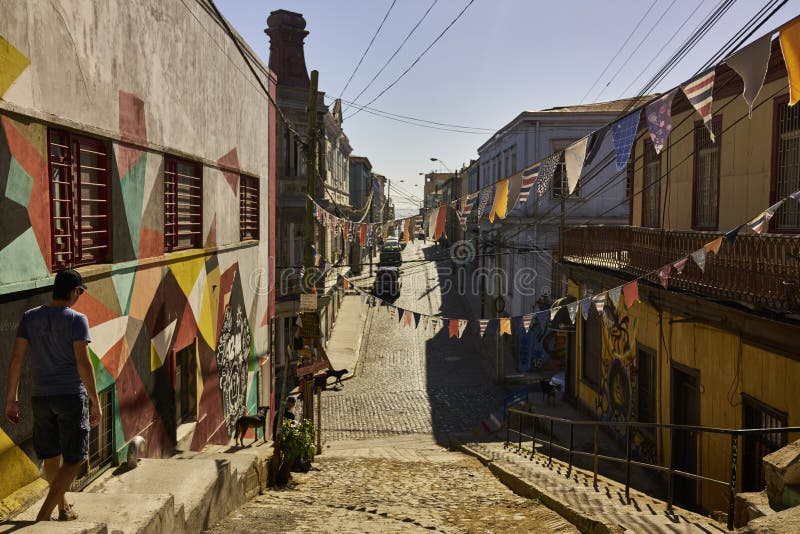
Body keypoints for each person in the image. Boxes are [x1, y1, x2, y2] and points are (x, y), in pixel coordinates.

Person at [5, 269, 101, 522]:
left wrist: (11, 399)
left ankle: (63, 507)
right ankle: (44, 514)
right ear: (73, 292)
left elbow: (16, 360)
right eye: (79, 291)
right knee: (76, 458)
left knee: (51, 455)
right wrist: (95, 400)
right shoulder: (77, 319)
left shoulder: (29, 317)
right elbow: (84, 363)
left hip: (40, 398)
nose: (79, 296)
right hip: (70, 395)